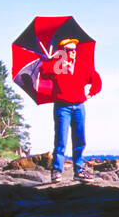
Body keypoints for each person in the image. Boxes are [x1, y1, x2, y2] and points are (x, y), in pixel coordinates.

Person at [41, 37, 102, 183]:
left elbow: (97, 80)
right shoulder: (57, 66)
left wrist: (90, 94)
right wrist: (53, 60)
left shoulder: (81, 66)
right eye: (69, 50)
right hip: (62, 107)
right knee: (61, 140)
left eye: (74, 50)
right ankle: (57, 171)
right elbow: (43, 71)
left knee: (80, 140)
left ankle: (79, 170)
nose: (73, 53)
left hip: (79, 106)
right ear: (62, 51)